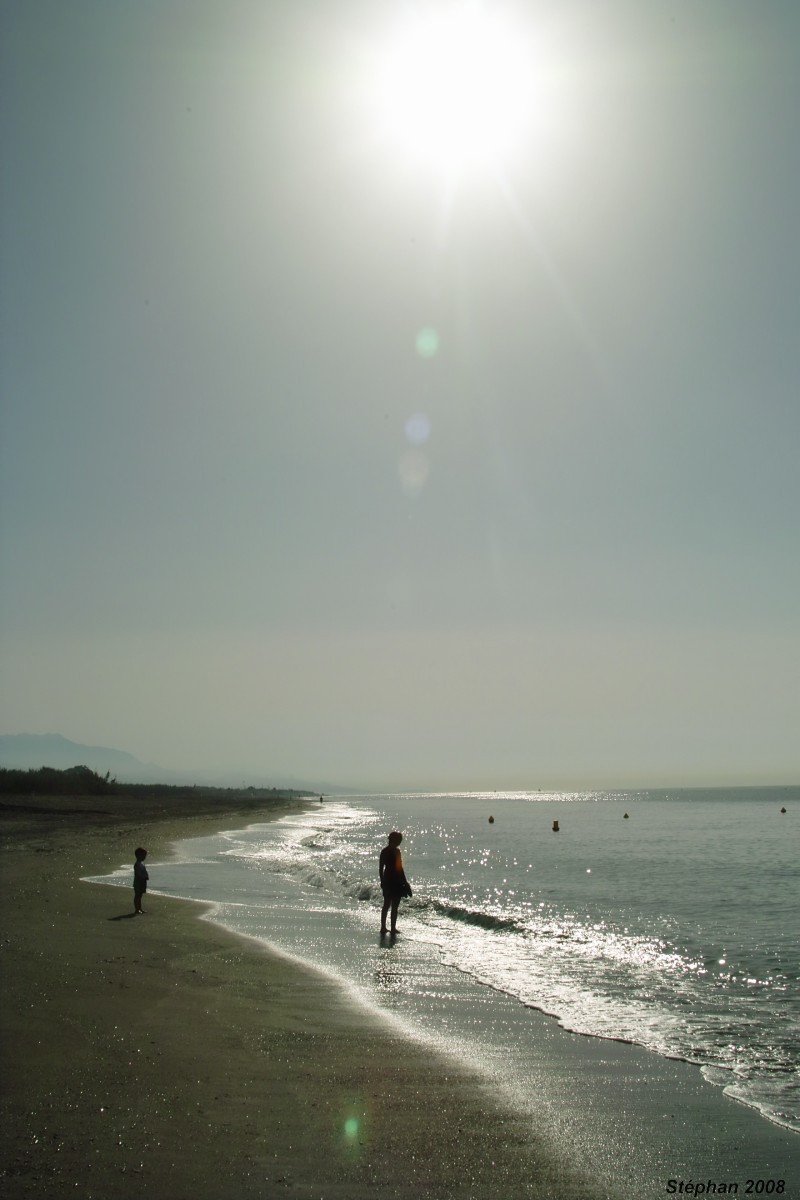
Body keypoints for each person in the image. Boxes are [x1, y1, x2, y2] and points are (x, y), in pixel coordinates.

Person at [379, 831, 412, 936]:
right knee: (387, 904)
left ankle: (393, 928)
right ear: (394, 840)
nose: (400, 842)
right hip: (389, 880)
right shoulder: (385, 851)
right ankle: (383, 927)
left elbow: (400, 868)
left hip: (396, 880)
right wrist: (382, 881)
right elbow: (381, 868)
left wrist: (405, 882)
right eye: (399, 840)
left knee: (395, 905)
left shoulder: (397, 851)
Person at [133, 847, 149, 914]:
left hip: (142, 881)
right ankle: (137, 909)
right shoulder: (137, 864)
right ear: (139, 855)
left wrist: (146, 876)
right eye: (144, 855)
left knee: (140, 895)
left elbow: (143, 871)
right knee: (137, 895)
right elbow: (138, 873)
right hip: (138, 882)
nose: (145, 857)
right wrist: (143, 877)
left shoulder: (141, 863)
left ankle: (139, 908)